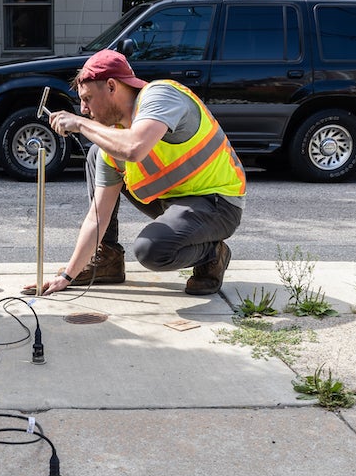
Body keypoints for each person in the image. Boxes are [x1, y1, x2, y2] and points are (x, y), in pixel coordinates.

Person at [30, 49, 246, 297]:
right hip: (175, 204)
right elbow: (96, 217)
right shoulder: (114, 139)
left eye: (87, 98)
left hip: (218, 203)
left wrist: (80, 124)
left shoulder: (160, 96)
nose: (84, 109)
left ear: (112, 86)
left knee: (151, 250)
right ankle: (107, 258)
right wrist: (67, 276)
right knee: (97, 152)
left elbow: (134, 147)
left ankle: (213, 254)